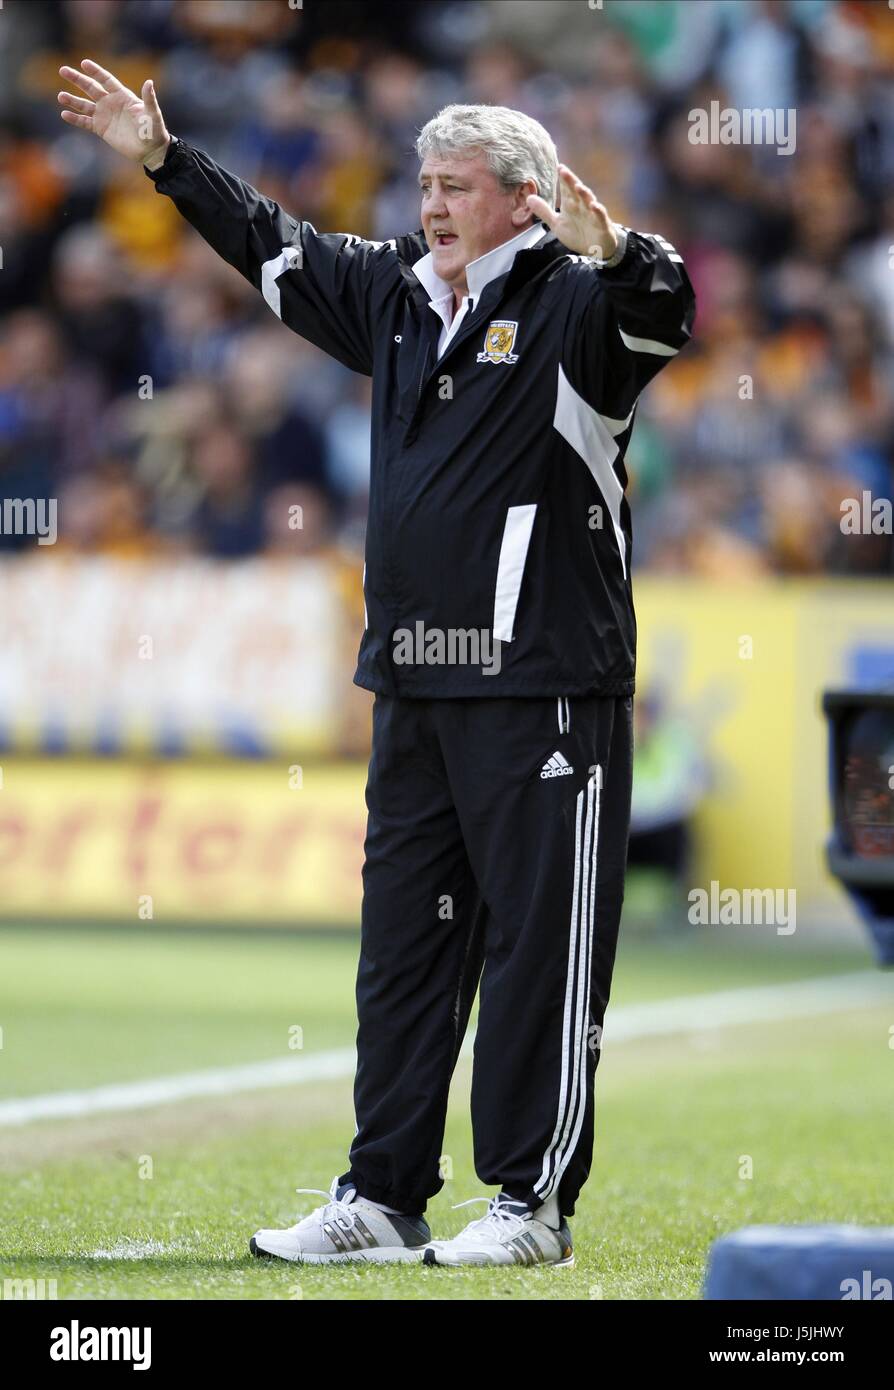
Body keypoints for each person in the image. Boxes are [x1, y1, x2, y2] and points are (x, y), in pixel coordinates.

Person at [59, 59, 695, 1269]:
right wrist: (161, 157)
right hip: (413, 680)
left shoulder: (578, 306)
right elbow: (271, 244)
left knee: (538, 951)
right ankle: (382, 1195)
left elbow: (668, 311)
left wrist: (621, 247)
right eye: (423, 182)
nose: (432, 204)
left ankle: (530, 1206)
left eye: (456, 186)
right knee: (404, 949)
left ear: (526, 196)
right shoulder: (398, 295)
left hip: (542, 680)